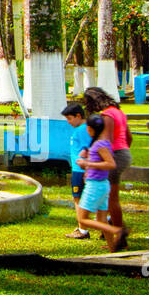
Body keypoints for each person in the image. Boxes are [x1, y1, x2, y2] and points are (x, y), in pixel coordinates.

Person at [75, 114, 128, 252]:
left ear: (91, 129)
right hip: (102, 184)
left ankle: (117, 230)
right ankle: (113, 249)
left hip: (95, 185)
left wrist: (87, 163)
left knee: (83, 218)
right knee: (102, 219)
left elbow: (111, 164)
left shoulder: (99, 145)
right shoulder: (102, 143)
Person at [83, 87, 131, 228]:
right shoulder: (118, 112)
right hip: (123, 152)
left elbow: (107, 141)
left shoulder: (107, 115)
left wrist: (96, 160)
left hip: (114, 155)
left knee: (111, 199)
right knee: (108, 197)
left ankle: (117, 232)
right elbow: (129, 137)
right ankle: (111, 230)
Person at [62, 102, 92, 239]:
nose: (68, 122)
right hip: (83, 169)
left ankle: (82, 230)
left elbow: (88, 149)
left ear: (78, 116)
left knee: (78, 199)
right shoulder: (86, 129)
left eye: (69, 118)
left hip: (80, 170)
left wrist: (85, 166)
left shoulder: (82, 130)